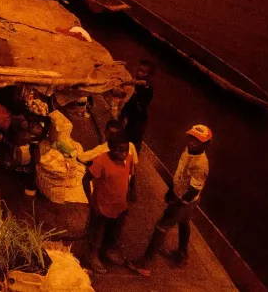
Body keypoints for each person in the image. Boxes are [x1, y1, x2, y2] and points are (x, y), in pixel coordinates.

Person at [128, 125, 212, 276]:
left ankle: (145, 265)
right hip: (183, 198)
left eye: (198, 140)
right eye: (192, 137)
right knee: (184, 224)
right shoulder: (189, 150)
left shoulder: (201, 165)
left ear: (206, 144)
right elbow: (181, 173)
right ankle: (182, 255)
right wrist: (172, 190)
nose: (193, 141)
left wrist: (176, 204)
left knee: (161, 228)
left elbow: (194, 190)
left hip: (184, 202)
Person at [81, 130, 134, 273]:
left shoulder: (128, 159)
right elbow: (85, 179)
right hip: (102, 205)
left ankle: (108, 251)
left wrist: (128, 198)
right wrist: (92, 202)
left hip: (119, 206)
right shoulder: (101, 162)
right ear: (111, 148)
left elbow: (128, 178)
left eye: (126, 150)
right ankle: (92, 255)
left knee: (114, 231)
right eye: (120, 150)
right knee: (97, 232)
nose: (123, 154)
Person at [120, 60, 155, 199]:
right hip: (130, 119)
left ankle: (132, 186)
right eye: (139, 70)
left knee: (132, 155)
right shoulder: (135, 85)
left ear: (149, 75)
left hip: (138, 123)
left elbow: (139, 106)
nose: (140, 74)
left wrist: (132, 90)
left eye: (144, 72)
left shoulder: (147, 88)